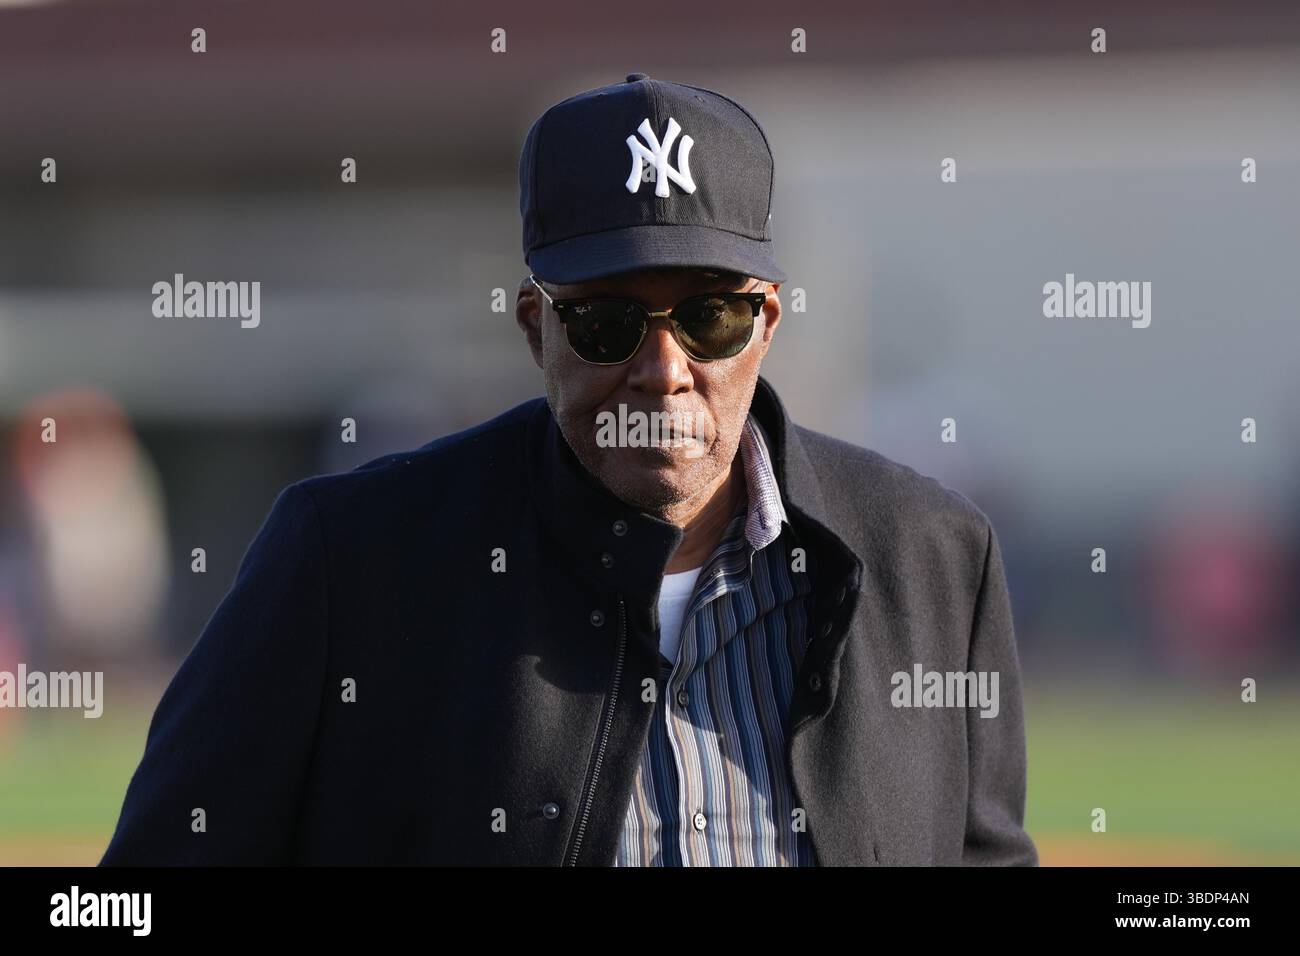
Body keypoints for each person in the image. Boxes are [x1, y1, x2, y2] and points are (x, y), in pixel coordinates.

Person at [101, 73, 1036, 866]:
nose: (664, 370)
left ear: (769, 322)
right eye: (606, 324)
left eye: (711, 317)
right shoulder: (347, 561)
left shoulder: (936, 557)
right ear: (534, 325)